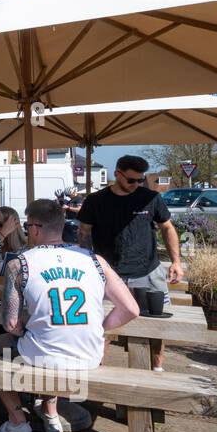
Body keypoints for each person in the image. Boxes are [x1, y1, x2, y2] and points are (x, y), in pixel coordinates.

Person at [0, 199, 139, 432]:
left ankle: (17, 423)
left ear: (34, 228)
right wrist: (99, 329)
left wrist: (26, 330)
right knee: (49, 344)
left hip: (43, 355)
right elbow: (131, 309)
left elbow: (11, 323)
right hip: (89, 355)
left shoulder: (20, 264)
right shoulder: (96, 261)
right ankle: (51, 411)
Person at [77, 154, 184, 372]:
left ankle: (157, 371)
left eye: (140, 180)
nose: (136, 185)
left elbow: (168, 228)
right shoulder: (96, 201)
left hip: (148, 271)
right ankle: (99, 370)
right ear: (117, 174)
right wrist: (87, 264)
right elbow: (84, 232)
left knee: (156, 327)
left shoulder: (150, 198)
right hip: (109, 274)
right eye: (131, 180)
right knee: (102, 327)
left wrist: (176, 262)